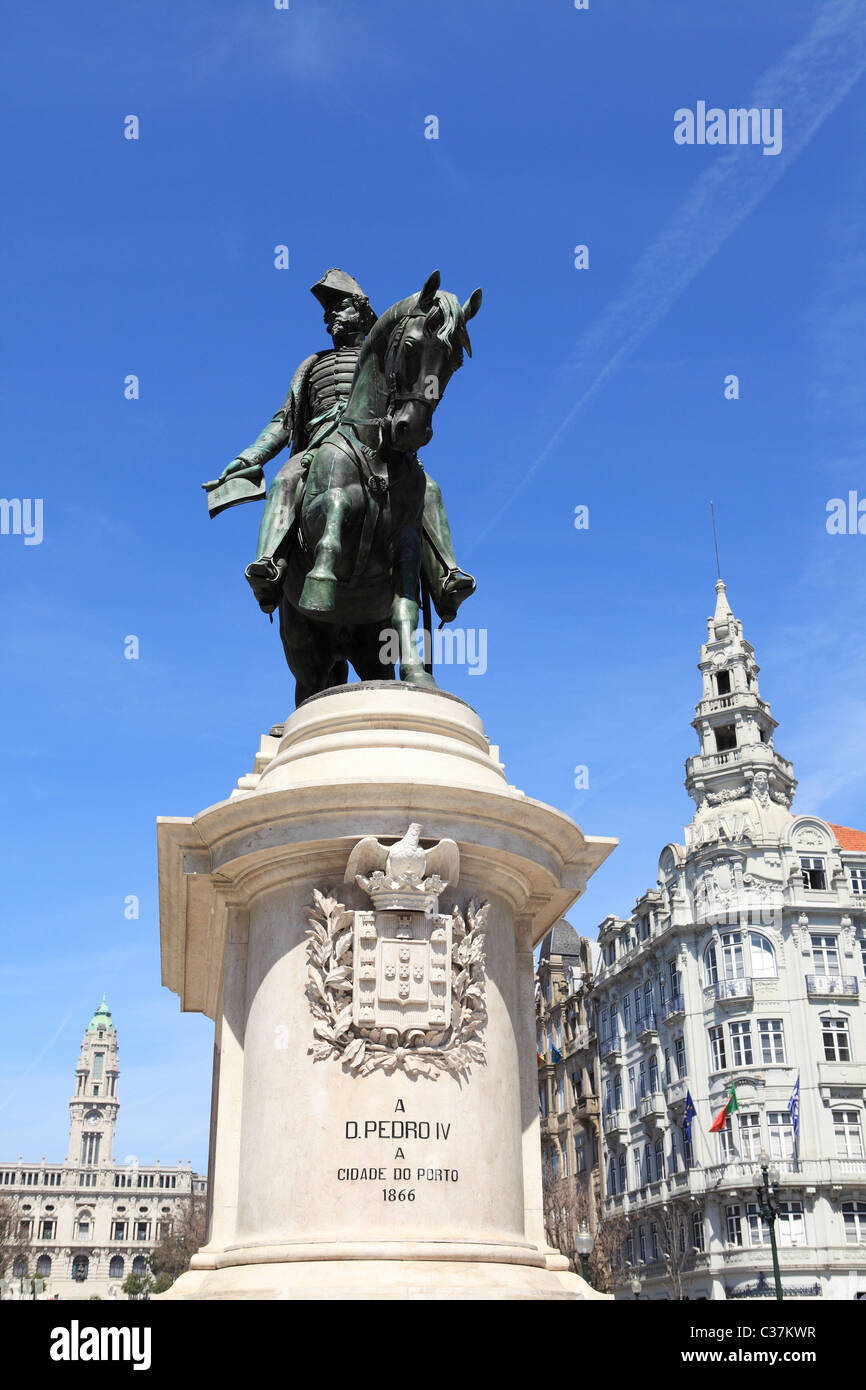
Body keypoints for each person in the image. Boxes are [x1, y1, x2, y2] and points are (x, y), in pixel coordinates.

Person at [202, 269, 475, 620]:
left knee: (430, 490)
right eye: (328, 312)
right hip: (320, 450)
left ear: (362, 312)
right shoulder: (313, 364)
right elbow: (283, 421)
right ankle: (269, 565)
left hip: (378, 449)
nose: (331, 315)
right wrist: (248, 457)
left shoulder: (388, 357)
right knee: (285, 479)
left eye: (341, 307)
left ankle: (446, 578)